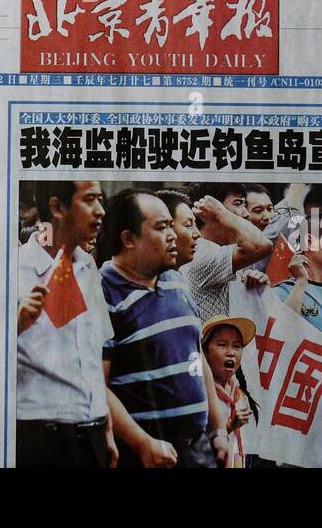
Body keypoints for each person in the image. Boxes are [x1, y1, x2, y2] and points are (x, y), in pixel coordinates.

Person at [97, 189, 228, 468]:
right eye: (161, 227)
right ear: (129, 239)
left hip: (198, 449)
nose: (172, 235)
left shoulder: (176, 281)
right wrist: (143, 443)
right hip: (146, 454)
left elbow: (195, 355)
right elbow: (97, 385)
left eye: (171, 225)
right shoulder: (103, 293)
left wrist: (218, 430)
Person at [16, 181, 117, 468]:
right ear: (57, 207)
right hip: (43, 437)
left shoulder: (87, 266)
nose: (100, 211)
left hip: (92, 432)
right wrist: (16, 325)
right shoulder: (14, 269)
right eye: (89, 200)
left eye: (100, 199)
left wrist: (106, 426)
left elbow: (93, 356)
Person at [177, 193, 272, 320]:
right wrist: (221, 212)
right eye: (238, 204)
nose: (246, 213)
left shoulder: (225, 256)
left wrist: (255, 289)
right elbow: (262, 246)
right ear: (208, 211)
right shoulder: (203, 253)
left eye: (245, 205)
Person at [200, 316, 258, 469]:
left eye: (237, 346)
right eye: (222, 345)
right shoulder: (200, 393)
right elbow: (195, 444)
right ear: (205, 352)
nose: (231, 353)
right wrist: (230, 426)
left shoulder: (240, 395)